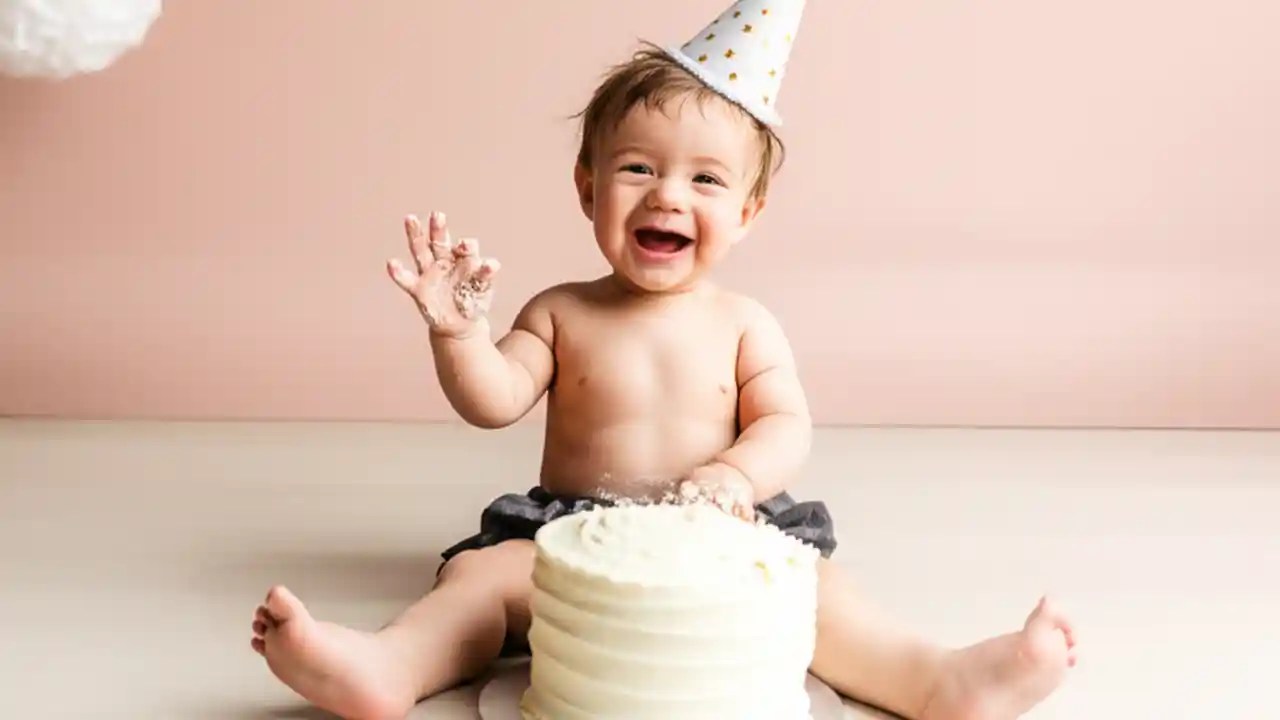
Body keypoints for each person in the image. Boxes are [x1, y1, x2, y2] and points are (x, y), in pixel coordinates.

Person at [251, 2, 1076, 718]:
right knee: (477, 588)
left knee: (822, 600)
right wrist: (459, 335)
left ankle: (940, 681)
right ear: (587, 188)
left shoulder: (745, 323)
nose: (667, 196)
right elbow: (495, 399)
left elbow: (787, 423)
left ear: (749, 211)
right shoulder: (562, 311)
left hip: (723, 530)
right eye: (638, 168)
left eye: (706, 180)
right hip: (572, 536)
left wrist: (736, 476)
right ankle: (387, 669)